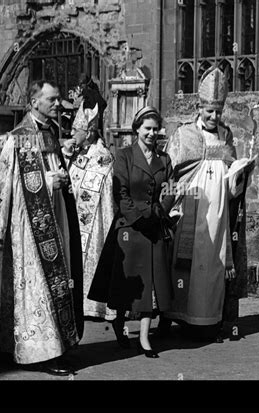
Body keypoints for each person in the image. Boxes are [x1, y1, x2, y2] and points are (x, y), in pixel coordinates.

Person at [0, 80, 84, 375]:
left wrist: (62, 181)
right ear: (34, 102)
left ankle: (37, 346)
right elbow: (9, 187)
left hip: (53, 218)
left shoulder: (49, 134)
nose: (58, 104)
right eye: (53, 99)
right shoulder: (17, 139)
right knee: (35, 286)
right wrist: (50, 183)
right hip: (26, 229)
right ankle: (43, 352)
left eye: (59, 99)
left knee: (52, 282)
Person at [162, 67, 251, 343]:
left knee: (213, 263)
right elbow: (171, 171)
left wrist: (239, 174)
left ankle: (209, 320)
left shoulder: (227, 135)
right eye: (209, 111)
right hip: (191, 205)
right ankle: (178, 316)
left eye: (218, 112)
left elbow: (232, 176)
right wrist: (171, 204)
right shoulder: (184, 134)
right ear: (199, 107)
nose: (214, 117)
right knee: (185, 263)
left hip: (219, 209)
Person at [88, 106, 175, 358]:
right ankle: (119, 324)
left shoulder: (165, 160)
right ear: (137, 129)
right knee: (127, 286)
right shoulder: (124, 155)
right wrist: (138, 217)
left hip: (154, 229)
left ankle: (145, 338)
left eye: (155, 129)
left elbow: (169, 190)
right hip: (130, 228)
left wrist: (158, 213)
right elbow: (121, 193)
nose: (151, 133)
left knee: (150, 285)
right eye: (147, 128)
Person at [62, 98, 115, 319]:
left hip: (93, 225)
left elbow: (106, 193)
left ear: (89, 133)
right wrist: (66, 156)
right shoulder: (76, 153)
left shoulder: (102, 157)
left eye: (76, 129)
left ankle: (93, 305)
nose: (72, 133)